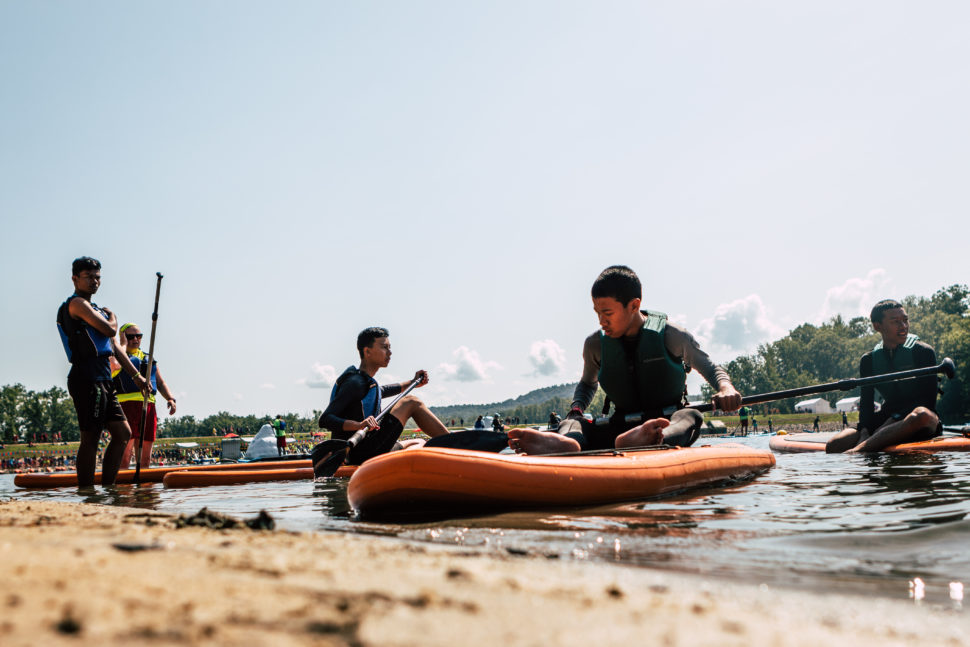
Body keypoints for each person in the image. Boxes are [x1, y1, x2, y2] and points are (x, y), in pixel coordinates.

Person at [508, 265, 742, 455]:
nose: (601, 321)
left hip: (668, 420)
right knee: (574, 422)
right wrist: (577, 408)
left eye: (607, 313)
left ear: (634, 305)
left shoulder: (672, 335)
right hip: (620, 430)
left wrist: (726, 388)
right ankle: (567, 443)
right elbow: (588, 384)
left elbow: (711, 369)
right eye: (597, 313)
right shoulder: (594, 345)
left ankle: (655, 439)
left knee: (690, 415)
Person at [57, 257, 148, 486]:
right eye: (89, 277)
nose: (95, 281)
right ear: (75, 278)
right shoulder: (77, 304)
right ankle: (86, 491)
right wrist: (114, 319)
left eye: (98, 277)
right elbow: (109, 330)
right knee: (91, 437)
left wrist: (137, 377)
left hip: (104, 379)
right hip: (86, 377)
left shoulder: (96, 309)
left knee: (122, 433)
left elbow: (116, 348)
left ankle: (109, 488)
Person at [314, 327, 450, 470]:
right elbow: (325, 419)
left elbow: (383, 390)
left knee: (420, 442)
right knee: (411, 402)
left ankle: (400, 464)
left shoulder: (366, 382)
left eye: (389, 348)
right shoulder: (354, 383)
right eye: (384, 347)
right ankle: (457, 444)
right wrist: (359, 425)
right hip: (358, 451)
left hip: (370, 448)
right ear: (367, 351)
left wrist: (413, 382)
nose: (390, 353)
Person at [826, 299, 942, 453]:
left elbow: (928, 402)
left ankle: (859, 451)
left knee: (921, 414)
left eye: (905, 320)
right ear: (877, 326)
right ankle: (869, 441)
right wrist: (865, 430)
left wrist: (893, 419)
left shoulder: (924, 352)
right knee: (835, 444)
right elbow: (866, 402)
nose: (903, 326)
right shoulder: (868, 360)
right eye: (896, 322)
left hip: (919, 420)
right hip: (885, 418)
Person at [112, 322, 177, 469]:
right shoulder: (118, 358)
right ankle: (124, 489)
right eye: (131, 336)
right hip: (126, 405)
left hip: (148, 405)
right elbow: (113, 367)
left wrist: (170, 399)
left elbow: (160, 382)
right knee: (125, 455)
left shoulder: (148, 358)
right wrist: (121, 344)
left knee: (146, 458)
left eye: (139, 336)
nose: (136, 339)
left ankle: (145, 489)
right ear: (123, 337)